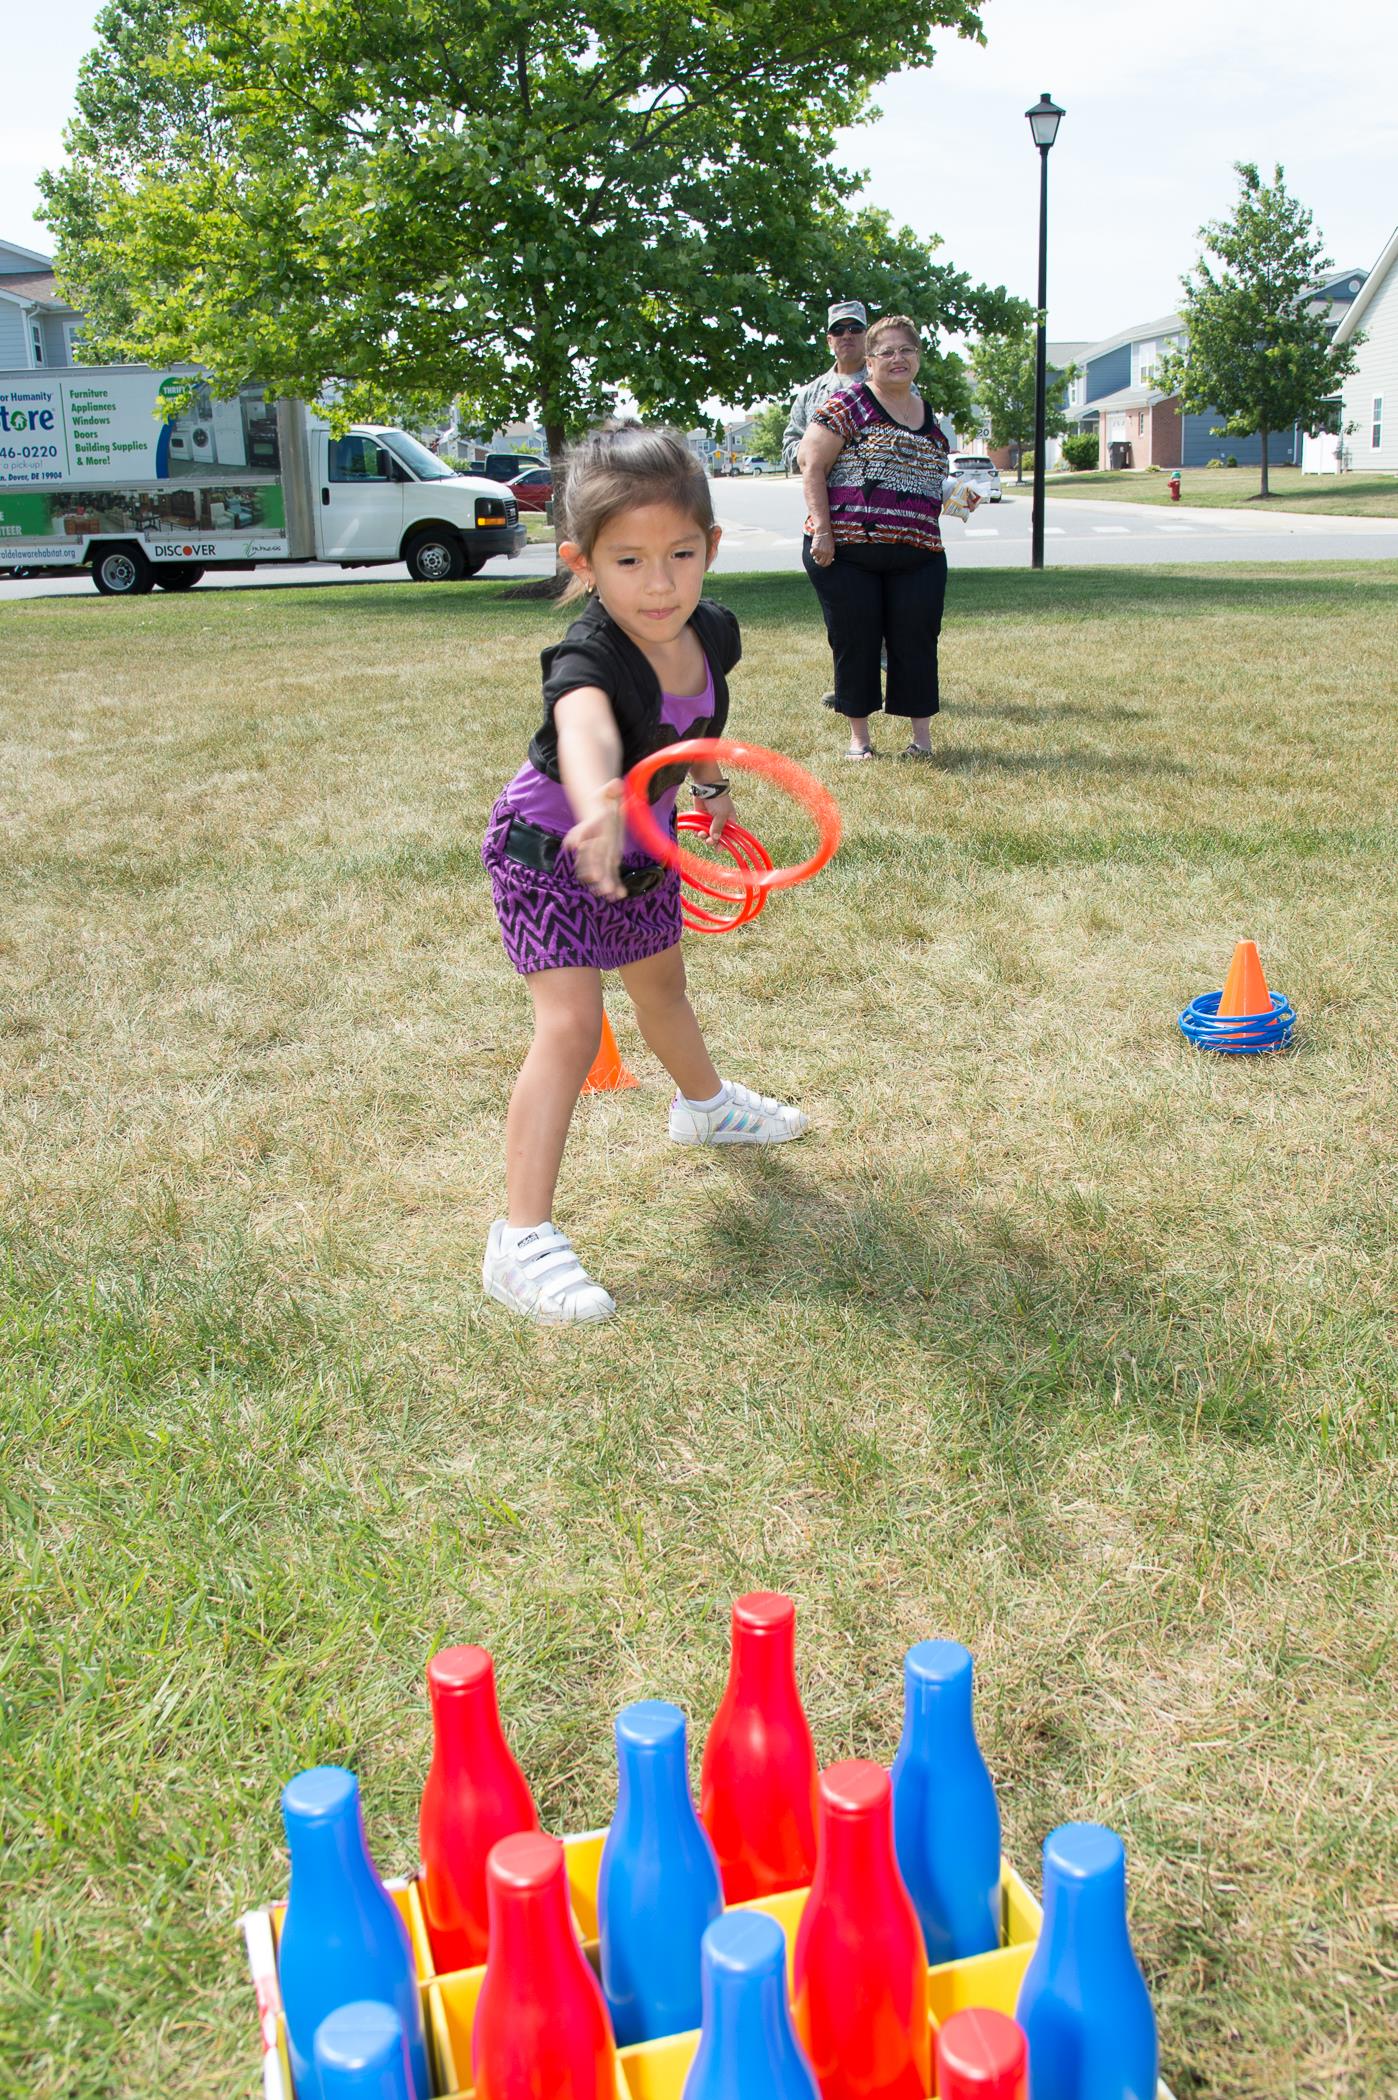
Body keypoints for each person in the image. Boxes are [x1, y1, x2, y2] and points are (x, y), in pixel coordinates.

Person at [480, 423, 809, 1325]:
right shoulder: (588, 656)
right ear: (582, 563)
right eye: (628, 561)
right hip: (550, 857)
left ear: (712, 547)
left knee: (664, 987)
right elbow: (586, 728)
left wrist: (709, 790)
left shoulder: (712, 631)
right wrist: (598, 803)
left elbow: (698, 723)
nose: (658, 583)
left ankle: (704, 1107)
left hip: (643, 849)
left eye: (679, 553)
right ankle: (519, 1241)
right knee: (573, 1028)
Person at [797, 313, 976, 761]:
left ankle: (922, 740)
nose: (898, 359)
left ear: (918, 358)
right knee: (855, 637)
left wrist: (956, 494)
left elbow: (927, 478)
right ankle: (860, 740)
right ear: (870, 361)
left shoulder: (931, 418)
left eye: (907, 350)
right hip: (846, 550)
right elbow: (810, 464)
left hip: (919, 552)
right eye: (887, 352)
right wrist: (822, 531)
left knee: (917, 639)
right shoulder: (848, 404)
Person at [780, 301, 870, 473]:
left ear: (867, 335)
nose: (846, 335)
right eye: (838, 331)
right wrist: (815, 453)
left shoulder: (891, 385)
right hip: (826, 498)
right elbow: (789, 448)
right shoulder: (810, 394)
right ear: (829, 340)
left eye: (855, 328)